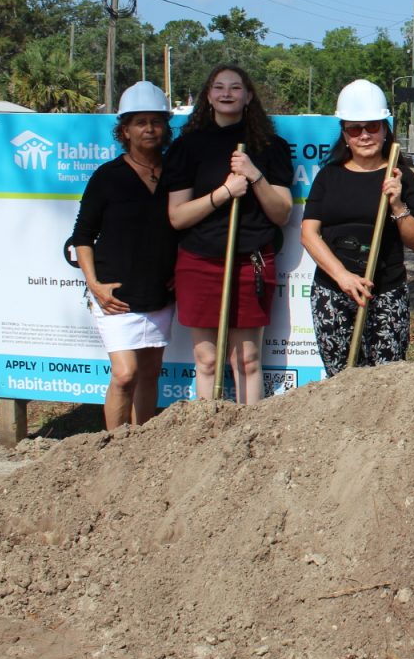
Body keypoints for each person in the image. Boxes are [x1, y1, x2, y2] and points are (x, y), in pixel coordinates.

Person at [162, 64, 293, 404]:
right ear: (207, 96)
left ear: (248, 96)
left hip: (251, 262)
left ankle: (250, 434)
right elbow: (177, 217)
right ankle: (209, 434)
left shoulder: (271, 146)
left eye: (235, 88)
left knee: (246, 359)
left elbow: (281, 213)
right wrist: (223, 193)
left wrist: (254, 175)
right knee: (207, 360)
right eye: (218, 87)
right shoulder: (186, 147)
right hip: (199, 262)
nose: (226, 93)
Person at [301, 80, 414, 376]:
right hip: (334, 291)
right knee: (341, 380)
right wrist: (343, 277)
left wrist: (397, 206)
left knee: (385, 383)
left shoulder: (401, 176)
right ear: (344, 134)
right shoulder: (328, 176)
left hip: (386, 292)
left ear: (385, 129)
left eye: (372, 126)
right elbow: (308, 234)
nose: (364, 135)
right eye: (354, 128)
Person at [71, 81, 178, 429]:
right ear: (125, 130)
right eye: (140, 122)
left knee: (149, 373)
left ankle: (140, 446)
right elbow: (82, 236)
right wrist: (95, 285)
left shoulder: (176, 175)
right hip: (115, 297)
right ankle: (113, 448)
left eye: (156, 121)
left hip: (159, 295)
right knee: (124, 374)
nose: (149, 128)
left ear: (165, 127)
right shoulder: (107, 177)